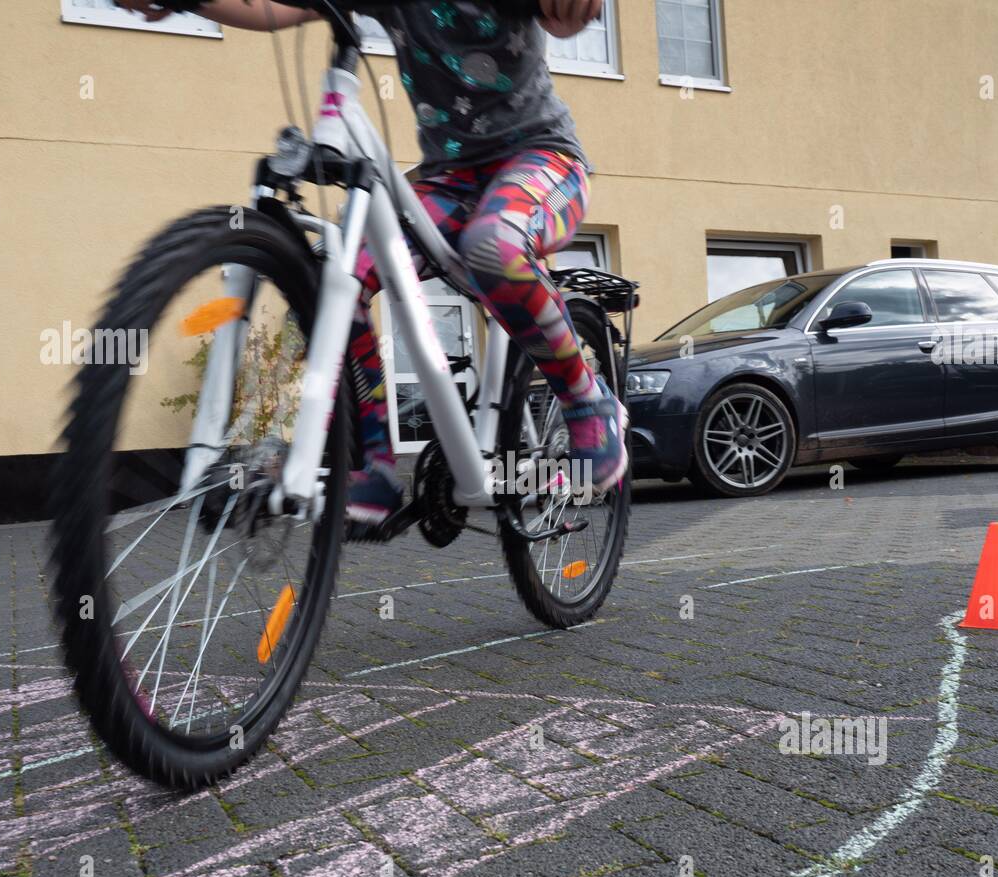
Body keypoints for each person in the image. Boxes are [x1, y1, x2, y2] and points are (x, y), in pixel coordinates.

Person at [118, 0, 628, 523]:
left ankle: (588, 402)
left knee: (492, 245)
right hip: (448, 178)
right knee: (336, 278)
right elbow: (275, 6)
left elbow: (567, 12)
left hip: (543, 159)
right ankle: (377, 469)